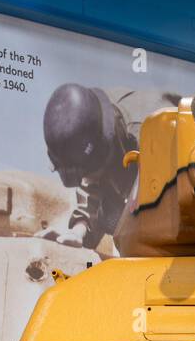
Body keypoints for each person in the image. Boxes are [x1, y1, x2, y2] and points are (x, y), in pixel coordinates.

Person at [42, 84, 143, 250]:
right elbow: (90, 185)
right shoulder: (90, 124)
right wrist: (77, 232)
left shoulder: (148, 133)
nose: (87, 179)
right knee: (109, 214)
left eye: (88, 173)